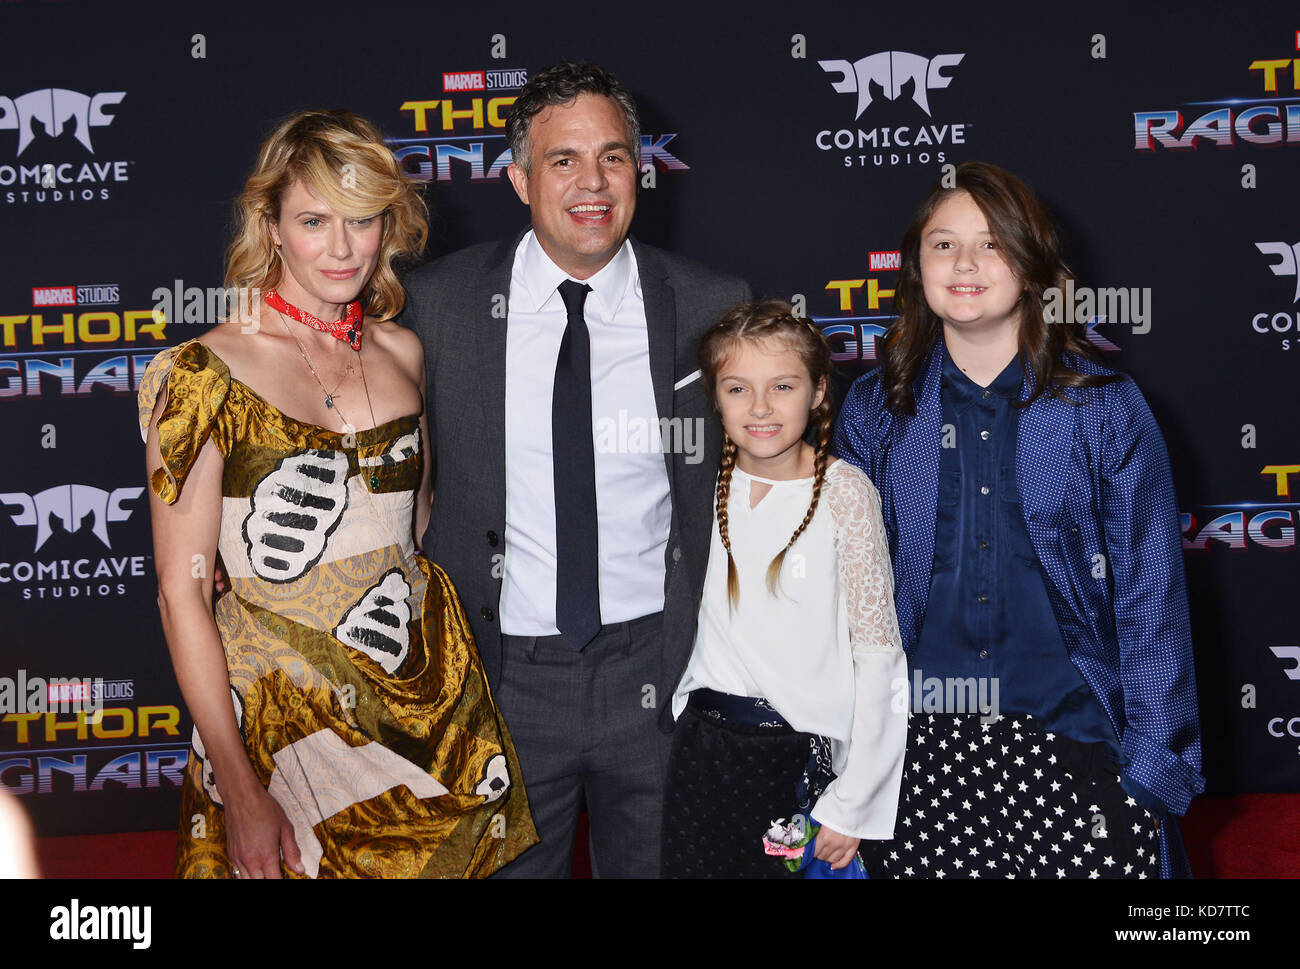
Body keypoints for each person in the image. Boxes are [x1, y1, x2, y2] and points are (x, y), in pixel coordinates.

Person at [138, 109, 537, 879]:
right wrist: (242, 784)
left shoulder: (403, 349)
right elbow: (179, 595)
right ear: (273, 226)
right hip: (284, 722)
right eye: (315, 219)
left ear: (389, 222)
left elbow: (414, 529)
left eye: (362, 218)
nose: (343, 246)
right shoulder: (201, 374)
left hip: (425, 708)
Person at [399, 61, 751, 877]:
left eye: (615, 157)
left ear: (641, 170)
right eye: (564, 160)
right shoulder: (438, 304)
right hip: (502, 680)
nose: (593, 183)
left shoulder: (709, 304)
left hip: (661, 674)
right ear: (520, 178)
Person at [835, 161, 1205, 879]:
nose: (964, 264)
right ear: (917, 267)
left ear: (1032, 266)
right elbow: (848, 602)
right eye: (943, 245)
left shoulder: (1104, 407)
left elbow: (1150, 594)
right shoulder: (877, 409)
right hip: (916, 761)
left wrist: (1150, 773)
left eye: (991, 244)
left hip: (1074, 744)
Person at [661, 300, 907, 878]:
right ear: (715, 397)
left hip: (800, 762)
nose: (762, 407)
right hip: (701, 753)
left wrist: (854, 803)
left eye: (783, 386)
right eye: (738, 388)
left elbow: (879, 657)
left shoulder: (845, 493)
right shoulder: (700, 484)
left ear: (819, 392)